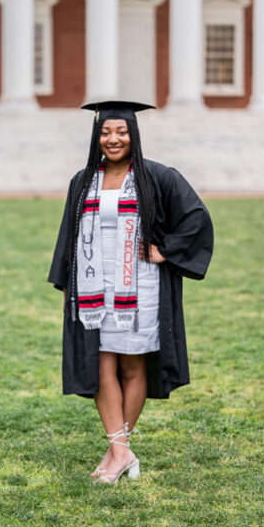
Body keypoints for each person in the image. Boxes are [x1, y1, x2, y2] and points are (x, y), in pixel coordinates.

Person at [48, 101, 214, 484]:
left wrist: (165, 250)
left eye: (121, 132)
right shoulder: (83, 180)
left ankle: (117, 453)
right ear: (97, 136)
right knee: (100, 363)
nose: (113, 139)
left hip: (140, 287)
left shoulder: (157, 176)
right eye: (106, 132)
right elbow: (68, 237)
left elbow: (196, 217)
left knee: (132, 365)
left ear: (133, 134)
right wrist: (67, 286)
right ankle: (121, 451)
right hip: (92, 287)